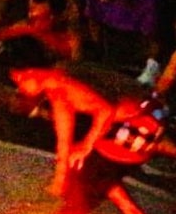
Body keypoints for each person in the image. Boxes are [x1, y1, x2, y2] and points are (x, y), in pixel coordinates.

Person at [64, 92, 176, 214]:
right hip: (142, 130)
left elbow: (118, 112)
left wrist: (87, 144)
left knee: (85, 166)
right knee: (96, 170)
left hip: (130, 137)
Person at [10, 59, 116, 197]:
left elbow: (106, 110)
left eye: (21, 78)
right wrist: (59, 180)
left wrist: (87, 144)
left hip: (131, 117)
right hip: (110, 122)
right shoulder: (56, 94)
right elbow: (64, 140)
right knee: (78, 159)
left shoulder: (63, 82)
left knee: (91, 161)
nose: (19, 88)